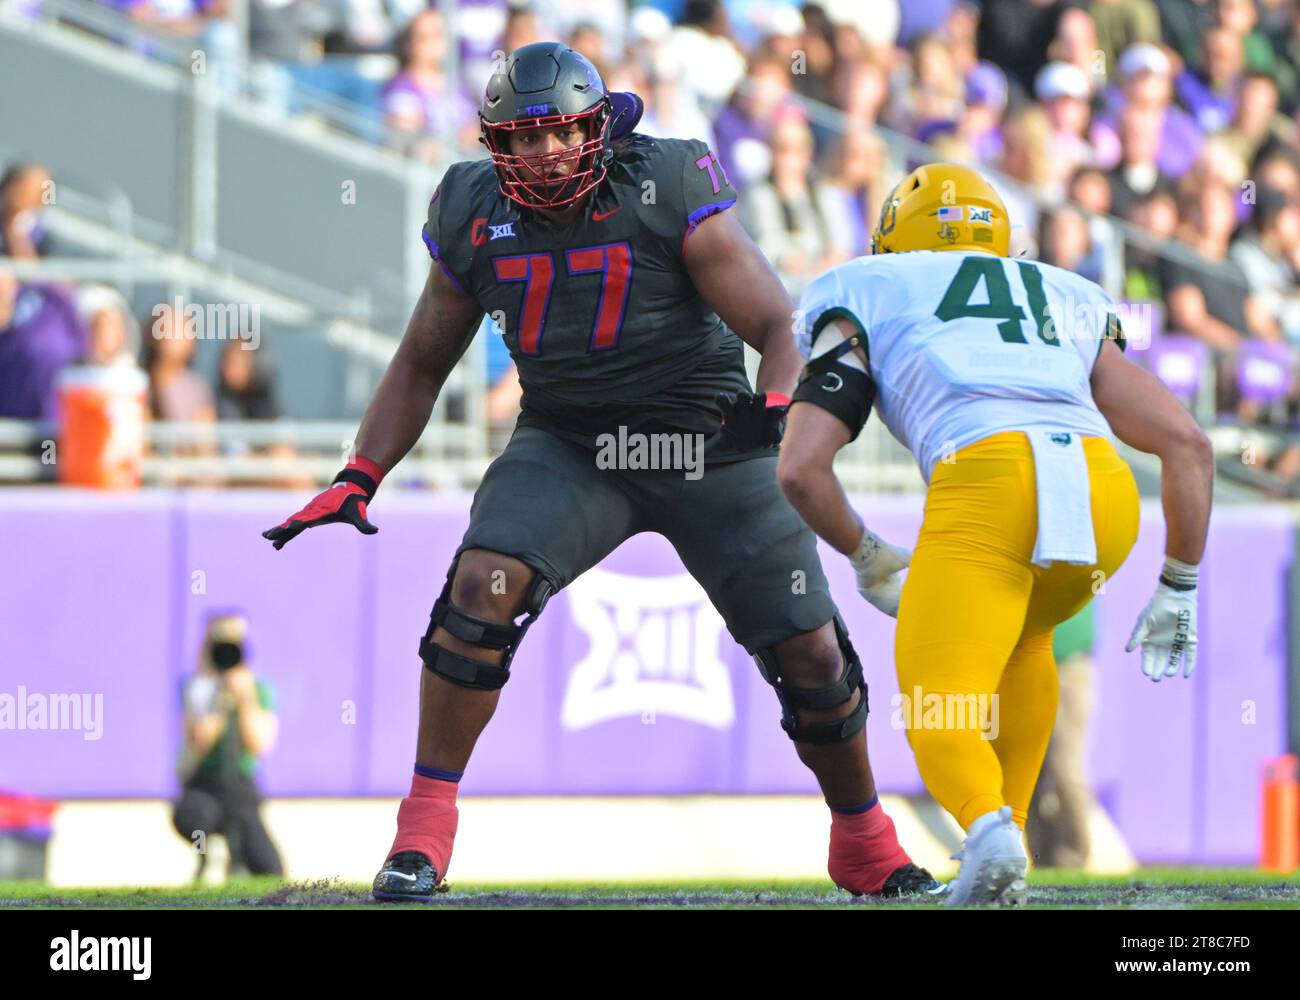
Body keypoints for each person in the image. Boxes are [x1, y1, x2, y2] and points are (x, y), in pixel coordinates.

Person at [263, 43, 942, 903]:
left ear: (598, 127)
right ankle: (423, 830)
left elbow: (779, 326)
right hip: (572, 441)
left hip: (707, 438)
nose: (544, 153)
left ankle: (865, 840)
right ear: (494, 143)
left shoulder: (665, 182)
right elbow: (421, 360)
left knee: (810, 649)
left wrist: (771, 416)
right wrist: (361, 471)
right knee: (481, 587)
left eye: (560, 133)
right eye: (523, 137)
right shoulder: (472, 206)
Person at [775, 163, 1214, 905]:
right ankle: (1006, 842)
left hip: (989, 481)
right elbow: (1189, 445)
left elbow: (800, 469)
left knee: (933, 702)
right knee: (1029, 636)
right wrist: (1180, 581)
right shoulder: (1061, 291)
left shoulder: (868, 287)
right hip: (1102, 497)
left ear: (894, 243)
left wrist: (864, 550)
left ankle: (987, 830)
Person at [172, 612, 283, 879]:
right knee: (192, 816)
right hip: (205, 785)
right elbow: (198, 742)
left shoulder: (258, 689)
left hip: (241, 788)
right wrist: (218, 700)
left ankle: (239, 857)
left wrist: (244, 697)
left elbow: (259, 743)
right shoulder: (198, 687)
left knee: (270, 869)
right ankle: (211, 857)